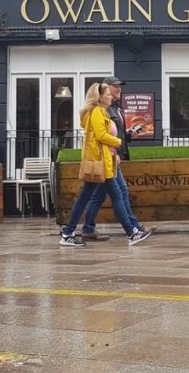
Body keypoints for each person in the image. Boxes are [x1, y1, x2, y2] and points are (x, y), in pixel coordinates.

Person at [59, 83, 152, 247]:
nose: (110, 96)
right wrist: (118, 142)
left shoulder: (101, 112)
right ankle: (131, 232)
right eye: (107, 94)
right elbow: (101, 135)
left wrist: (114, 151)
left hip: (105, 160)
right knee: (116, 195)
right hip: (101, 162)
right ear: (99, 97)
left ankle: (68, 233)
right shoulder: (96, 112)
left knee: (85, 198)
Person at [81, 75, 148, 242]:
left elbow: (112, 133)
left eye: (120, 86)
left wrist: (128, 136)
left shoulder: (113, 108)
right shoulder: (103, 110)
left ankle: (87, 228)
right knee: (120, 192)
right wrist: (115, 151)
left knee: (97, 196)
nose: (119, 89)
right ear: (105, 90)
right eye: (115, 86)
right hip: (108, 157)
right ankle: (133, 229)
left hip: (111, 156)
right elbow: (103, 135)